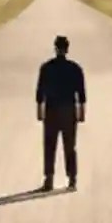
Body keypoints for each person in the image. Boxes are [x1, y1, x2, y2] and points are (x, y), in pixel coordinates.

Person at [35, 34, 86, 192]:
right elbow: (81, 94)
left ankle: (49, 179)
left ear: (55, 48)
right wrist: (81, 113)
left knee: (50, 145)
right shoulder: (75, 68)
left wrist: (39, 111)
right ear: (67, 49)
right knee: (70, 146)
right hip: (69, 111)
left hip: (51, 110)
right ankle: (72, 180)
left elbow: (40, 92)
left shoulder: (46, 67)